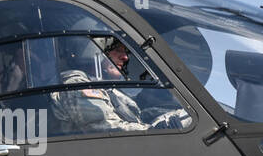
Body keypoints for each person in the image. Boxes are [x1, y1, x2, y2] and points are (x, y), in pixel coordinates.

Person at [50, 26, 191, 134]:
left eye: (125, 52)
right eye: (117, 51)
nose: (125, 58)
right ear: (92, 51)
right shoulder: (76, 84)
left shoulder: (110, 90)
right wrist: (157, 130)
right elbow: (104, 128)